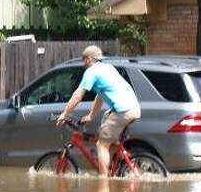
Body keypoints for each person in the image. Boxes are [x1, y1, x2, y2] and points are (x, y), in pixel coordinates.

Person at [55, 45, 141, 175]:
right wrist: (90, 115)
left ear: (89, 58)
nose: (83, 63)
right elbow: (100, 96)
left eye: (84, 59)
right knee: (106, 131)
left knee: (102, 144)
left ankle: (103, 181)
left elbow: (78, 95)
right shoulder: (108, 68)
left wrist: (64, 114)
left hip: (122, 111)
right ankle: (123, 161)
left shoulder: (91, 71)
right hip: (133, 108)